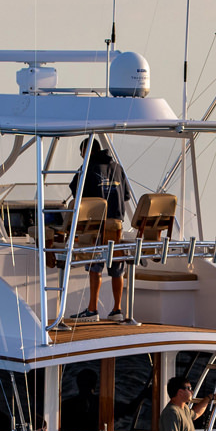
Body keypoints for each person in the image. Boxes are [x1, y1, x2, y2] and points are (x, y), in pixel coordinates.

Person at [71, 137, 132, 321]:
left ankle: (92, 310)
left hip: (97, 225)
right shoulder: (118, 168)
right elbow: (127, 196)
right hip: (117, 226)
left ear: (86, 152)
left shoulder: (87, 168)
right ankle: (117, 310)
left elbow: (77, 194)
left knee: (95, 266)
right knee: (117, 267)